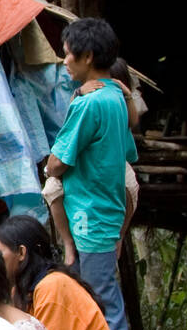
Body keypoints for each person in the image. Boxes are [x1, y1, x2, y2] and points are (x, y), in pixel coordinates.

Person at [44, 18, 137, 330]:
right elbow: (128, 152)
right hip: (104, 211)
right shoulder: (114, 97)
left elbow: (57, 163)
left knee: (104, 299)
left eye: (68, 53)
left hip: (90, 216)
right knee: (92, 294)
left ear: (87, 56)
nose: (64, 60)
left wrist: (52, 163)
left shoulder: (88, 104)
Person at [44, 55, 141, 266]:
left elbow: (133, 121)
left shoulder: (116, 101)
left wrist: (127, 95)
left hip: (113, 164)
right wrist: (79, 93)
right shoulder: (86, 101)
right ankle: (68, 243)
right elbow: (71, 128)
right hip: (86, 167)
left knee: (131, 187)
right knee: (51, 189)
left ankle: (119, 236)